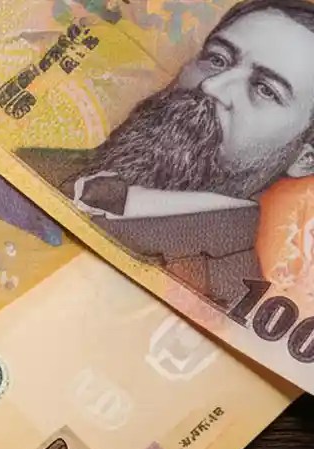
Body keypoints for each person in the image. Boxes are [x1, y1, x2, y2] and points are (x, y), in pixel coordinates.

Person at [17, 0, 314, 308]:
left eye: (265, 89)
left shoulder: (222, 295)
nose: (212, 86)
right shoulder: (26, 162)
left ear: (306, 158)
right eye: (218, 59)